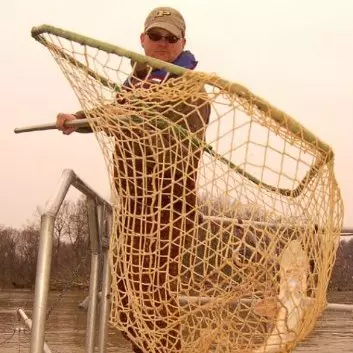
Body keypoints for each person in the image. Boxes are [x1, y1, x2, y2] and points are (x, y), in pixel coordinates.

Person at [56, 6, 210, 353]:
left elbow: (181, 148)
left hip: (168, 209)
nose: (162, 43)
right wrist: (77, 119)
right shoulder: (134, 84)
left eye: (171, 38)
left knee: (153, 298)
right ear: (142, 39)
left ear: (182, 42)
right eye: (155, 36)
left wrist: (132, 122)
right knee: (127, 302)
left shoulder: (193, 89)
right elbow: (113, 113)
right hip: (134, 209)